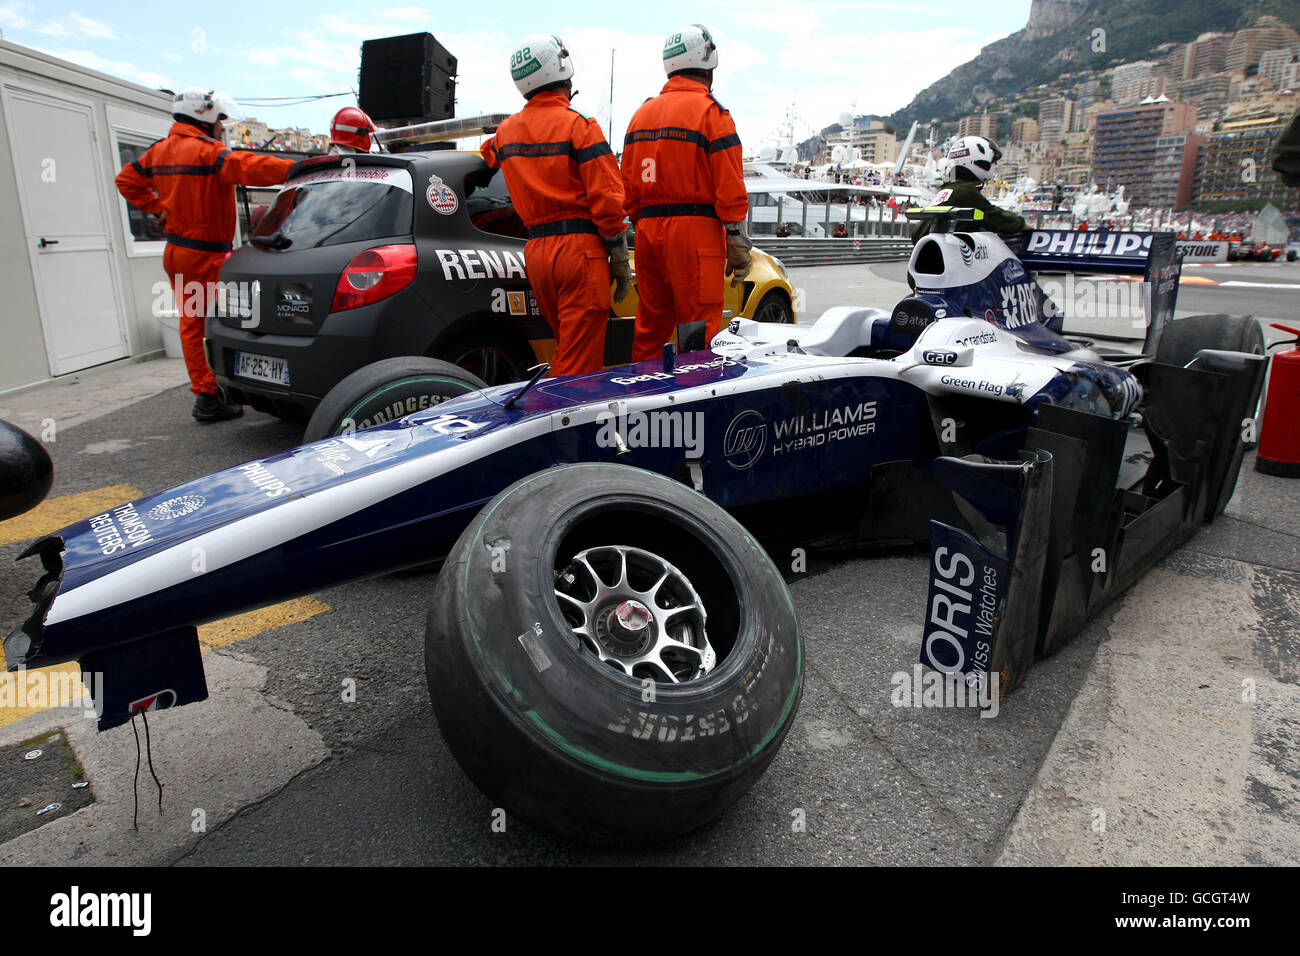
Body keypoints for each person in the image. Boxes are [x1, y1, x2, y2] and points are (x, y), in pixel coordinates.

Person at [115, 88, 295, 422]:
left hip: (179, 253)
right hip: (208, 257)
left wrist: (158, 209)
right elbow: (251, 167)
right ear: (204, 115)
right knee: (244, 319)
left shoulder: (156, 153)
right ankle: (233, 389)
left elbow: (125, 181)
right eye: (220, 120)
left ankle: (208, 394)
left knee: (193, 325)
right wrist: (300, 168)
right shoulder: (206, 153)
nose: (222, 127)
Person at [480, 35, 630, 377]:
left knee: (567, 345)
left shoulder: (506, 132)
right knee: (578, 364)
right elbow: (607, 199)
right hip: (579, 252)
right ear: (562, 67)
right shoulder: (580, 124)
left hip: (537, 253)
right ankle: (558, 422)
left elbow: (488, 155)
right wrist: (619, 255)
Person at [621, 23, 750, 360]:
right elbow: (729, 184)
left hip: (647, 232)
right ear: (709, 62)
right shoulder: (712, 114)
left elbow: (627, 186)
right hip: (695, 234)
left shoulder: (640, 116)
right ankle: (696, 406)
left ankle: (643, 400)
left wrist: (646, 223)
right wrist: (736, 238)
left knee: (650, 326)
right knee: (697, 328)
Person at [911, 136, 1025, 243]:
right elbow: (996, 217)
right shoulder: (966, 191)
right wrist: (1022, 224)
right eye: (992, 163)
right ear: (980, 163)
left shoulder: (948, 190)